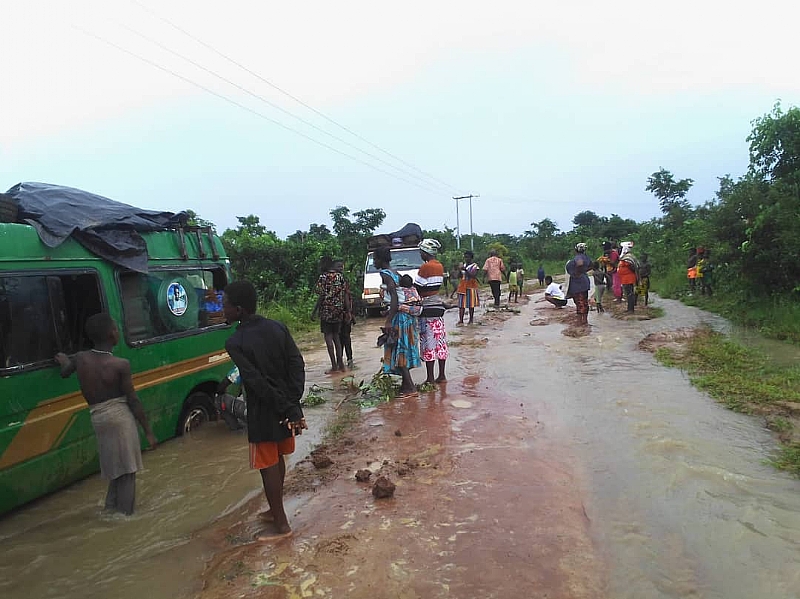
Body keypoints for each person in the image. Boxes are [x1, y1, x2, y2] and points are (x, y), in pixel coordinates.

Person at [223, 281, 306, 541]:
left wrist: (284, 406)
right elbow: (297, 364)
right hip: (286, 407)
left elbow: (255, 381)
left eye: (224, 305)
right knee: (278, 457)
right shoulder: (277, 327)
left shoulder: (235, 341)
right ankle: (274, 511)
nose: (222, 310)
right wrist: (292, 404)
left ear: (238, 310)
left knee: (267, 464)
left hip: (264, 409)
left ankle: (282, 527)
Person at [55, 313, 157, 516]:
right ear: (112, 335)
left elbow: (66, 370)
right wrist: (148, 431)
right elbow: (133, 400)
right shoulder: (120, 364)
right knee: (127, 471)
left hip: (98, 418)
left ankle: (110, 512)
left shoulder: (82, 358)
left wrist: (63, 359)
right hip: (119, 417)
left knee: (115, 469)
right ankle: (125, 518)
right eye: (116, 329)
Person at [374, 246, 421, 397]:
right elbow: (400, 296)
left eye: (375, 259)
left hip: (399, 318)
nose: (374, 262)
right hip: (405, 317)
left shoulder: (385, 274)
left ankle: (410, 388)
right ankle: (406, 385)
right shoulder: (395, 272)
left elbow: (394, 297)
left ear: (380, 259)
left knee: (398, 349)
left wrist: (388, 320)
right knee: (402, 349)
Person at [414, 238, 449, 384]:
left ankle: (429, 378)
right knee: (440, 342)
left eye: (421, 252)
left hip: (427, 306)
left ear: (425, 252)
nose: (420, 254)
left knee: (428, 343)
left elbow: (418, 287)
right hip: (437, 305)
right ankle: (441, 375)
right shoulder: (439, 266)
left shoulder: (425, 267)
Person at [312, 256, 347, 373]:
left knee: (328, 337)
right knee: (337, 336)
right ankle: (341, 363)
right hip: (338, 311)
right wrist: (347, 310)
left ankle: (334, 366)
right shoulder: (340, 276)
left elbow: (321, 295)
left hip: (326, 311)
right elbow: (345, 293)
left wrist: (314, 311)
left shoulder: (323, 277)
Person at [334, 259, 356, 369]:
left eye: (341, 267)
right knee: (340, 338)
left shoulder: (342, 281)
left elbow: (348, 298)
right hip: (338, 314)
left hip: (343, 314)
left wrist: (350, 313)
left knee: (345, 337)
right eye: (338, 267)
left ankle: (348, 359)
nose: (340, 269)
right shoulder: (336, 281)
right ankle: (341, 360)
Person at [566, 242, 593, 326]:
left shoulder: (579, 257)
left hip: (578, 282)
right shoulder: (586, 257)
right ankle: (584, 320)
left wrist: (577, 273)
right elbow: (592, 265)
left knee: (579, 301)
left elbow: (580, 263)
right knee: (584, 301)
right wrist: (583, 271)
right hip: (584, 280)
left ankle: (580, 321)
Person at [457, 250, 480, 324]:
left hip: (471, 287)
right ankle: (461, 320)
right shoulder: (463, 265)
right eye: (465, 257)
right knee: (461, 305)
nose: (466, 259)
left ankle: (471, 320)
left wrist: (465, 270)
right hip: (462, 286)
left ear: (471, 258)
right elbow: (459, 276)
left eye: (468, 257)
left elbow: (473, 276)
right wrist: (460, 270)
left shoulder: (475, 266)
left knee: (471, 305)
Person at [618, 243, 639, 313]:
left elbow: (632, 266)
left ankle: (631, 309)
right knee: (628, 294)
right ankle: (629, 308)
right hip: (625, 279)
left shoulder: (628, 258)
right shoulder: (626, 257)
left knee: (630, 294)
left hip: (629, 279)